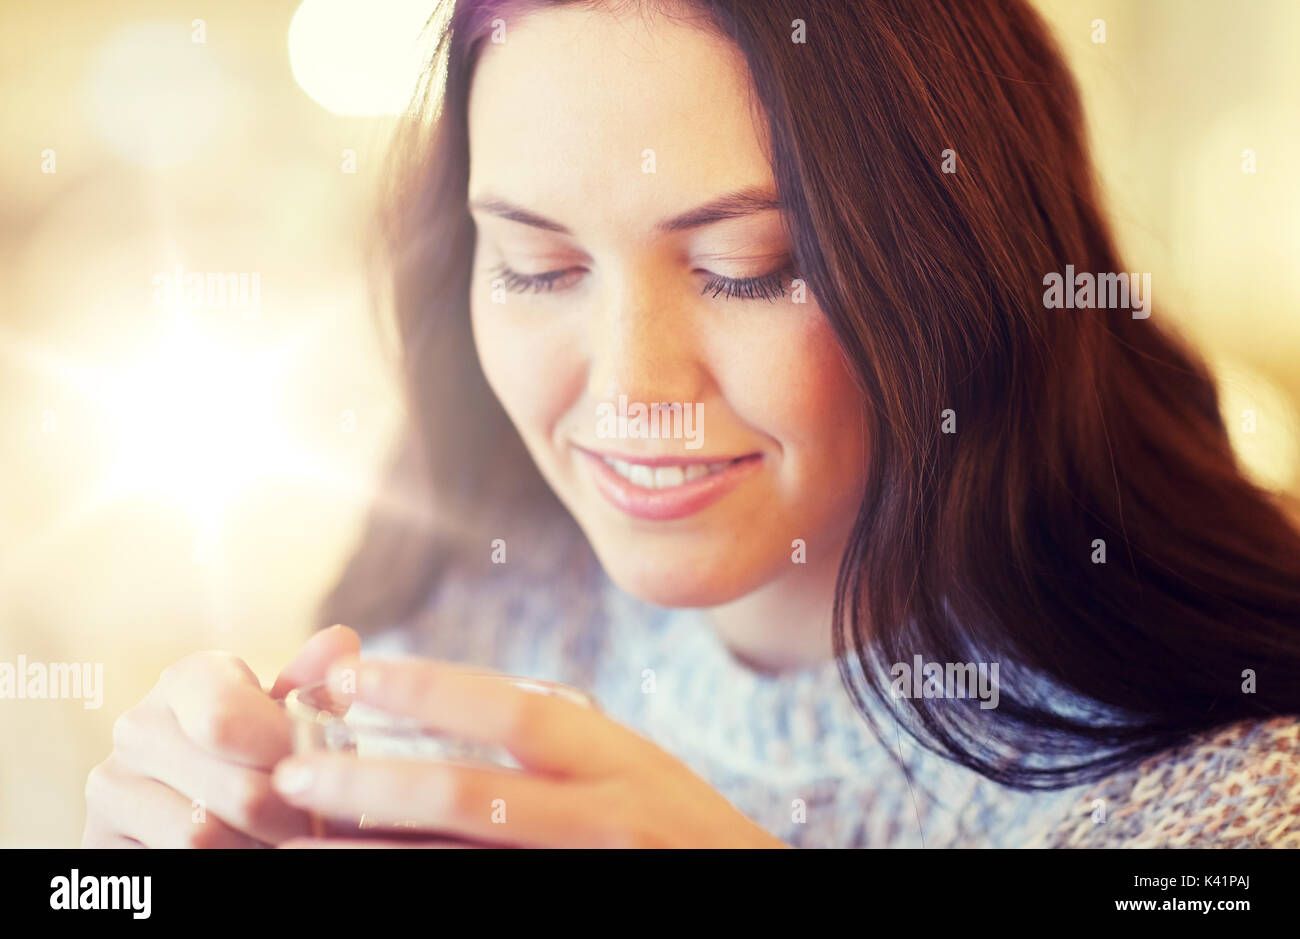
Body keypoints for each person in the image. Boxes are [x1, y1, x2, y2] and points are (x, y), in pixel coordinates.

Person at [84, 0, 1300, 849]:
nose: (628, 392)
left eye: (749, 268)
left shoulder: (1225, 791)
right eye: (536, 265)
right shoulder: (462, 641)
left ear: (961, 264)